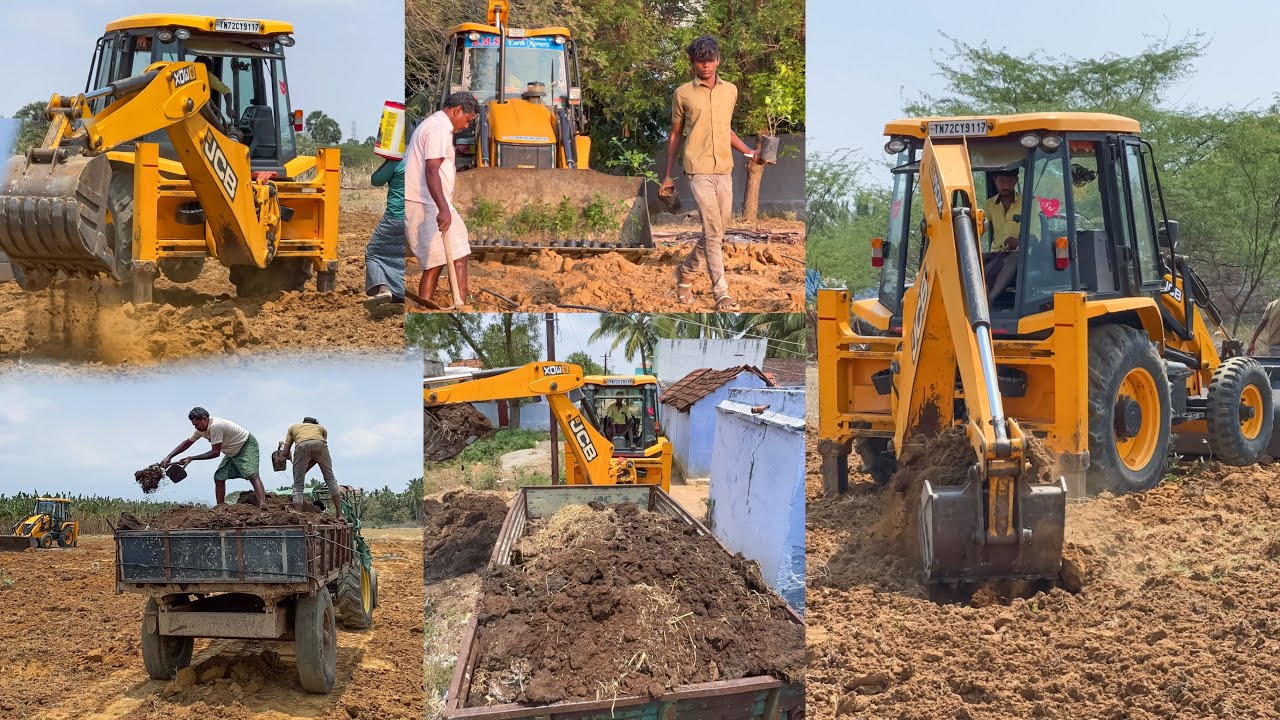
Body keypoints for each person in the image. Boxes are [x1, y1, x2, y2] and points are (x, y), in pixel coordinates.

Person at [661, 36, 759, 312]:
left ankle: (685, 273)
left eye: (709, 60)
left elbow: (724, 129)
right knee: (714, 232)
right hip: (697, 168)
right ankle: (722, 293)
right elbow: (675, 134)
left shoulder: (731, 91)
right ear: (692, 63)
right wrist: (668, 175)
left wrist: (749, 152)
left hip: (724, 168)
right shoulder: (682, 94)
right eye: (699, 61)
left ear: (717, 60)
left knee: (717, 230)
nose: (705, 66)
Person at [404, 92, 479, 304]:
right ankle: (460, 304)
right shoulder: (438, 128)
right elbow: (431, 171)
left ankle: (427, 304)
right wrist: (443, 208)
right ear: (457, 111)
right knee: (458, 255)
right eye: (467, 119)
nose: (466, 126)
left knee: (436, 261)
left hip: (427, 201)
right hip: (426, 202)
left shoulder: (436, 125)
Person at [161, 407, 267, 506]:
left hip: (245, 445)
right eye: (194, 425)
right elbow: (187, 443)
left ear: (205, 419)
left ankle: (263, 505)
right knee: (219, 477)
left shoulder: (216, 426)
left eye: (197, 424)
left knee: (252, 475)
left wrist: (192, 458)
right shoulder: (200, 430)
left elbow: (215, 453)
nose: (196, 427)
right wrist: (169, 456)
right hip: (231, 452)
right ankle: (220, 507)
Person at [364, 153, 407, 308]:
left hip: (396, 218)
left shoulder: (396, 162)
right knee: (401, 254)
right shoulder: (420, 160)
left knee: (373, 253)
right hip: (417, 219)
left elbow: (375, 180)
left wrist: (388, 160)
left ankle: (384, 288)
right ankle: (400, 294)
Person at [281, 416, 341, 515]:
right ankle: (339, 514)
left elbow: (285, 452)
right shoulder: (321, 429)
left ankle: (298, 515)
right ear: (314, 424)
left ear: (303, 423)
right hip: (320, 444)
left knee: (298, 485)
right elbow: (317, 457)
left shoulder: (293, 428)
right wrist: (306, 468)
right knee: (330, 479)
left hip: (301, 445)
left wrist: (288, 456)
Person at [983, 168, 1022, 302]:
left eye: (1009, 181)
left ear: (1016, 181)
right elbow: (981, 225)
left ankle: (990, 298)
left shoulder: (1028, 203)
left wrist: (1018, 241)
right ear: (995, 180)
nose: (1005, 185)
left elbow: (1036, 236)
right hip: (997, 252)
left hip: (1022, 255)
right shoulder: (990, 205)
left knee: (1012, 259)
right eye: (1002, 180)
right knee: (978, 258)